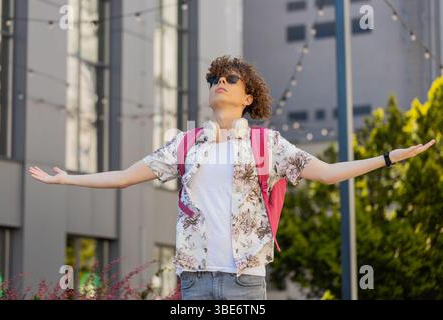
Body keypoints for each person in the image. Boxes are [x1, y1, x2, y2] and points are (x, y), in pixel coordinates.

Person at [28, 55, 436, 300]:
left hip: (245, 282)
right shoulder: (186, 144)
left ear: (248, 97)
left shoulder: (267, 145)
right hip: (195, 280)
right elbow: (124, 177)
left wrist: (388, 158)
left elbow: (328, 174)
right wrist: (67, 180)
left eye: (230, 79)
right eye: (215, 79)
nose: (220, 83)